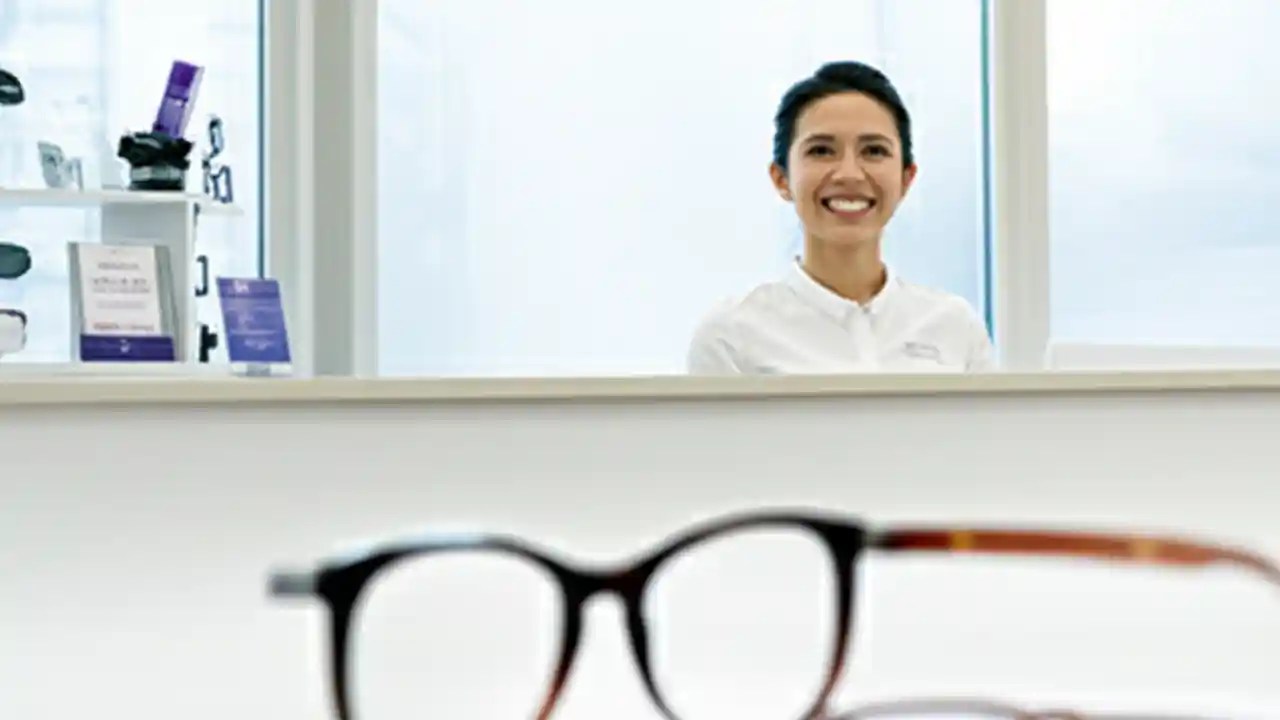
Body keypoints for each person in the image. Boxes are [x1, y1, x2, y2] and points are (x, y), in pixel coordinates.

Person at [687, 61, 995, 375]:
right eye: (821, 151)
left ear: (906, 179)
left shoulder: (956, 327)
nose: (849, 173)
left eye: (874, 151)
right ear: (781, 178)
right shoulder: (731, 336)